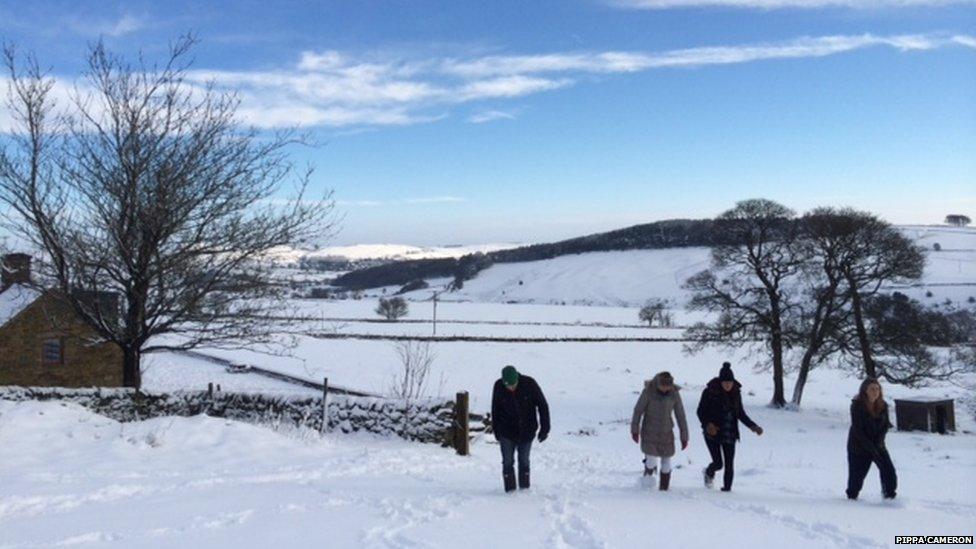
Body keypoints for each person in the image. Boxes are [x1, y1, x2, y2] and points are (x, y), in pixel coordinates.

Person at [696, 362, 763, 492]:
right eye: (725, 382)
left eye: (730, 382)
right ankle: (709, 473)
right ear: (720, 382)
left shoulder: (736, 393)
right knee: (718, 463)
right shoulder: (710, 391)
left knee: (729, 463)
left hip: (730, 432)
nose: (728, 385)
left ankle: (727, 489)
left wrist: (753, 426)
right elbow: (700, 411)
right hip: (712, 433)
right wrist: (707, 424)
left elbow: (740, 414)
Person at [491, 365, 550, 492]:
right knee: (507, 461)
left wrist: (545, 428)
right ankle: (510, 491)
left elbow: (542, 405)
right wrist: (496, 430)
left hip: (526, 430)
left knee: (524, 460)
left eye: (513, 385)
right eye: (507, 385)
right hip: (506, 431)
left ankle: (524, 490)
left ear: (517, 378)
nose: (510, 387)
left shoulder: (530, 384)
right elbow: (495, 409)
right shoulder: (498, 386)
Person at [631, 371, 689, 491]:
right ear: (658, 384)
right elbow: (638, 411)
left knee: (666, 461)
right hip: (649, 432)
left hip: (666, 433)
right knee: (651, 460)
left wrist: (684, 436)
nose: (665, 389)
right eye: (663, 386)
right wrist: (635, 430)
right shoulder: (648, 391)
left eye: (667, 386)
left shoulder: (674, 394)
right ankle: (646, 483)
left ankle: (664, 489)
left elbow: (680, 415)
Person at [846, 378, 897, 500]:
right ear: (865, 391)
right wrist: (870, 447)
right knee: (856, 478)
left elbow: (885, 425)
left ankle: (889, 497)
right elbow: (858, 430)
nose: (875, 392)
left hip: (878, 445)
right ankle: (851, 499)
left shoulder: (883, 405)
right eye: (872, 389)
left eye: (877, 389)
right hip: (858, 447)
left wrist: (879, 443)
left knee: (889, 471)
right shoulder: (857, 406)